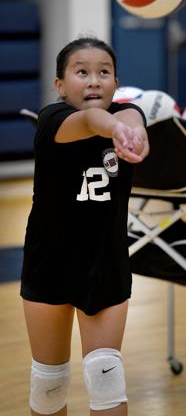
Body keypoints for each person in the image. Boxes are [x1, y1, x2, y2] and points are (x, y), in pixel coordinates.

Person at [20, 36, 149, 416]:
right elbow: (93, 121)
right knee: (49, 384)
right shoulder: (52, 120)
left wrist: (132, 132)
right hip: (49, 265)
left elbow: (130, 119)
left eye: (104, 73)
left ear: (116, 83)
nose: (94, 80)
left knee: (106, 379)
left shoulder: (127, 114)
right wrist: (112, 127)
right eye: (82, 72)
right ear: (60, 85)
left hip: (104, 264)